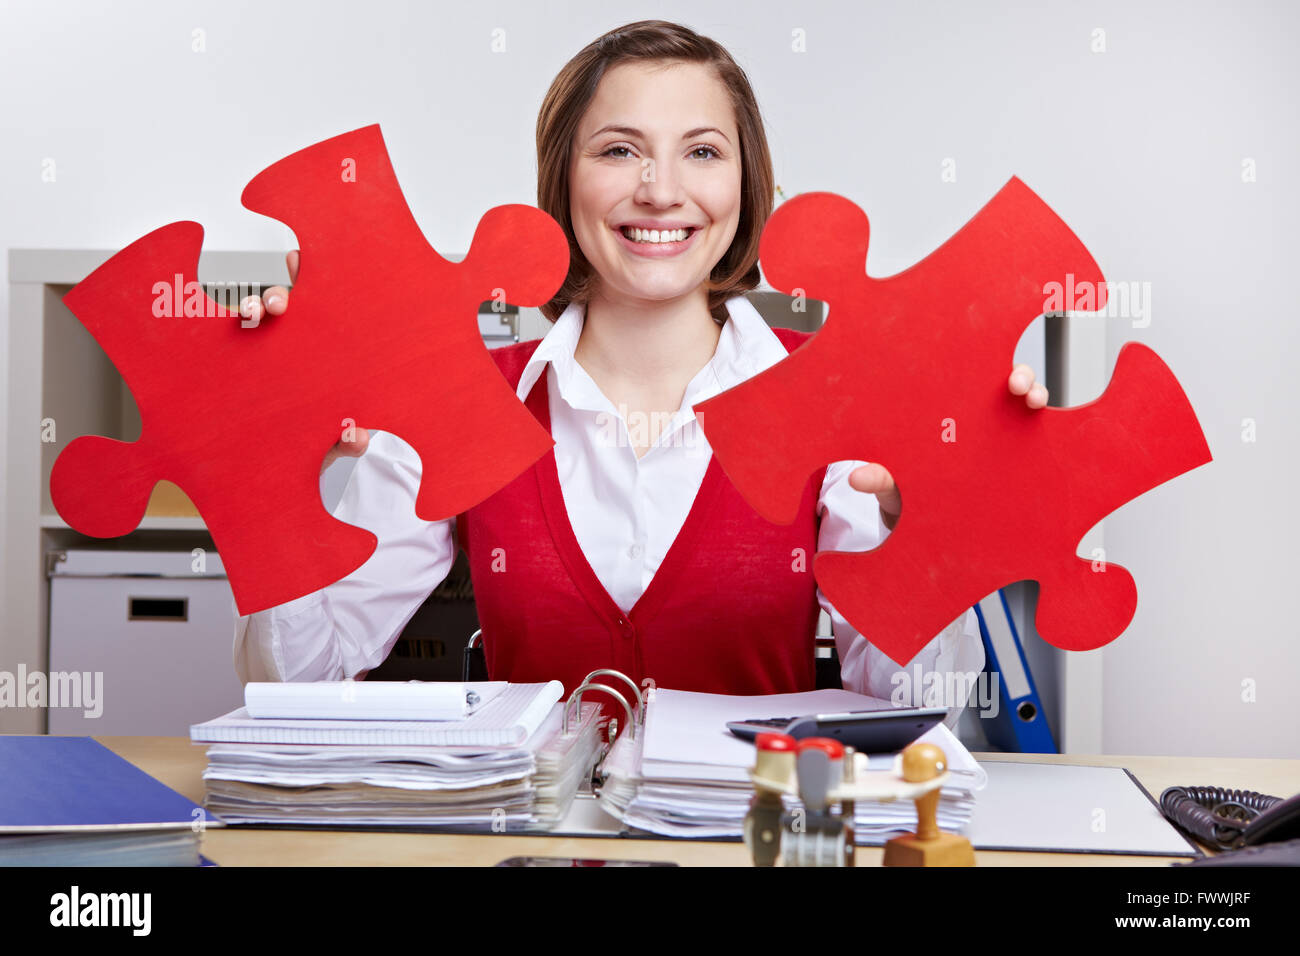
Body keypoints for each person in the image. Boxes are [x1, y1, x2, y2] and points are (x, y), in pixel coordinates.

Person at [233, 20, 1049, 727]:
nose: (660, 191)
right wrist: (269, 477)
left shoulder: (835, 401)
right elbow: (299, 684)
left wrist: (936, 535)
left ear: (744, 183)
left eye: (701, 151)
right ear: (565, 180)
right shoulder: (457, 398)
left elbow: (920, 704)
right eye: (620, 150)